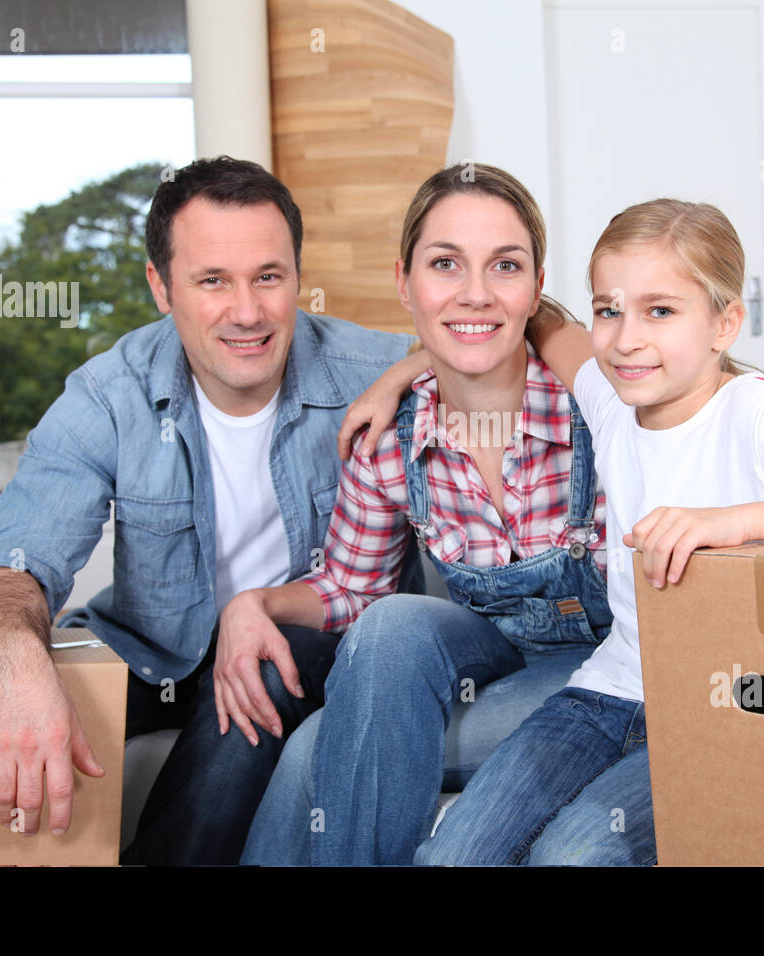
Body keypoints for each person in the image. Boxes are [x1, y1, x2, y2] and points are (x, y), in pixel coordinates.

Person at [413, 198, 764, 865]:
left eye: (661, 311)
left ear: (724, 323)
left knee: (573, 855)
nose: (626, 338)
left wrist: (729, 523)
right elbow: (537, 315)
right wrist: (404, 372)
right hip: (606, 693)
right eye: (609, 310)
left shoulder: (756, 414)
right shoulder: (609, 398)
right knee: (449, 855)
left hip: (721, 707)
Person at [0, 156, 423, 866]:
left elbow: (504, 329)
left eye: (268, 277)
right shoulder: (110, 395)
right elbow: (10, 562)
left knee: (258, 680)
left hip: (306, 640)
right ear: (161, 287)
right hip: (152, 647)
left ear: (297, 276)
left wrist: (415, 367)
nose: (247, 312)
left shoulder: (368, 371)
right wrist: (14, 663)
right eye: (212, 281)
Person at [238, 163, 612, 866]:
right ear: (404, 283)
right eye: (445, 264)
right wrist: (255, 604)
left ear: (537, 288)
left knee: (317, 749)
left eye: (504, 265)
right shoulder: (390, 440)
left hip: (611, 673)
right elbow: (351, 589)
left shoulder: (601, 409)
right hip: (500, 663)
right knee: (391, 626)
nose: (476, 292)